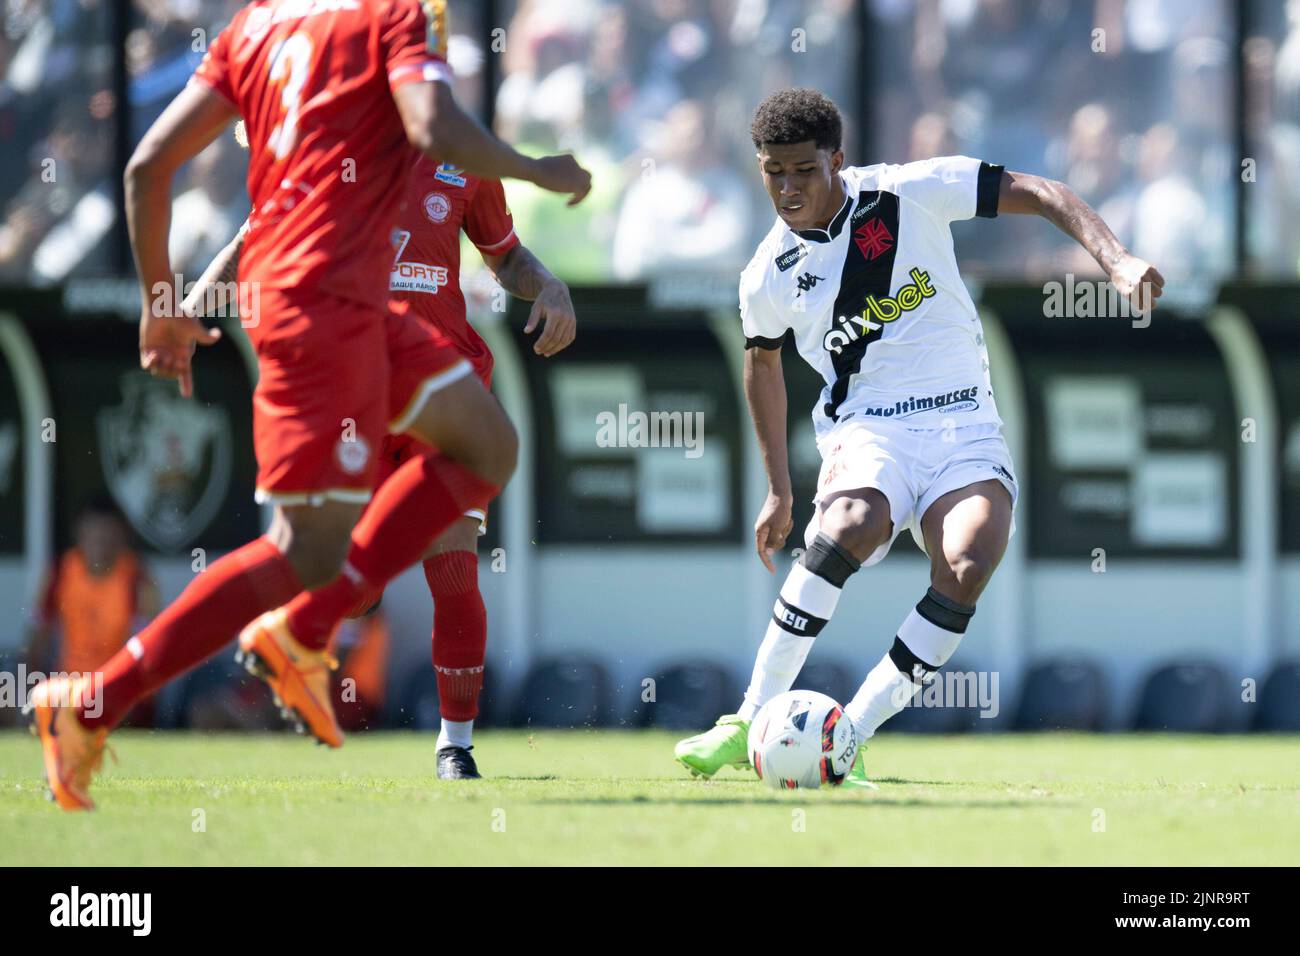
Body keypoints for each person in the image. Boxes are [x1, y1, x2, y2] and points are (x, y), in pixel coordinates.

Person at [29, 0, 590, 812]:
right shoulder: (389, 21)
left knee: (482, 452)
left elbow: (148, 166)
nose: (435, 37)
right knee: (310, 553)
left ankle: (342, 661)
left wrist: (163, 302)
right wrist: (540, 170)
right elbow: (429, 124)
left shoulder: (258, 26)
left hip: (359, 314)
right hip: (324, 307)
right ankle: (107, 700)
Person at [674, 88, 1163, 784]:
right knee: (848, 524)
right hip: (868, 429)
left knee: (968, 561)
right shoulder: (766, 276)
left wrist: (1114, 260)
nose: (787, 188)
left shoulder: (913, 192)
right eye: (771, 171)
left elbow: (1044, 190)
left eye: (803, 171)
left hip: (964, 420)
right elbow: (762, 366)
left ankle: (851, 735)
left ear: (837, 160)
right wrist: (779, 491)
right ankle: (749, 718)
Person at [233, 147, 578, 777]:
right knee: (348, 587)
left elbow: (504, 256)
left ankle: (455, 744)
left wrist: (550, 285)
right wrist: (182, 306)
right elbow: (256, 232)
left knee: (453, 573)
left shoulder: (465, 154)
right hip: (352, 395)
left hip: (443, 392)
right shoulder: (330, 141)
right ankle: (292, 649)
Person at [25, 496, 159, 680]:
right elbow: (38, 633)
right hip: (66, 685)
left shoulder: (137, 577)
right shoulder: (61, 571)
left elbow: (146, 647)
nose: (100, 538)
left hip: (117, 685)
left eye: (108, 531)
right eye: (93, 530)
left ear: (122, 536)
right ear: (78, 533)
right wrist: (29, 684)